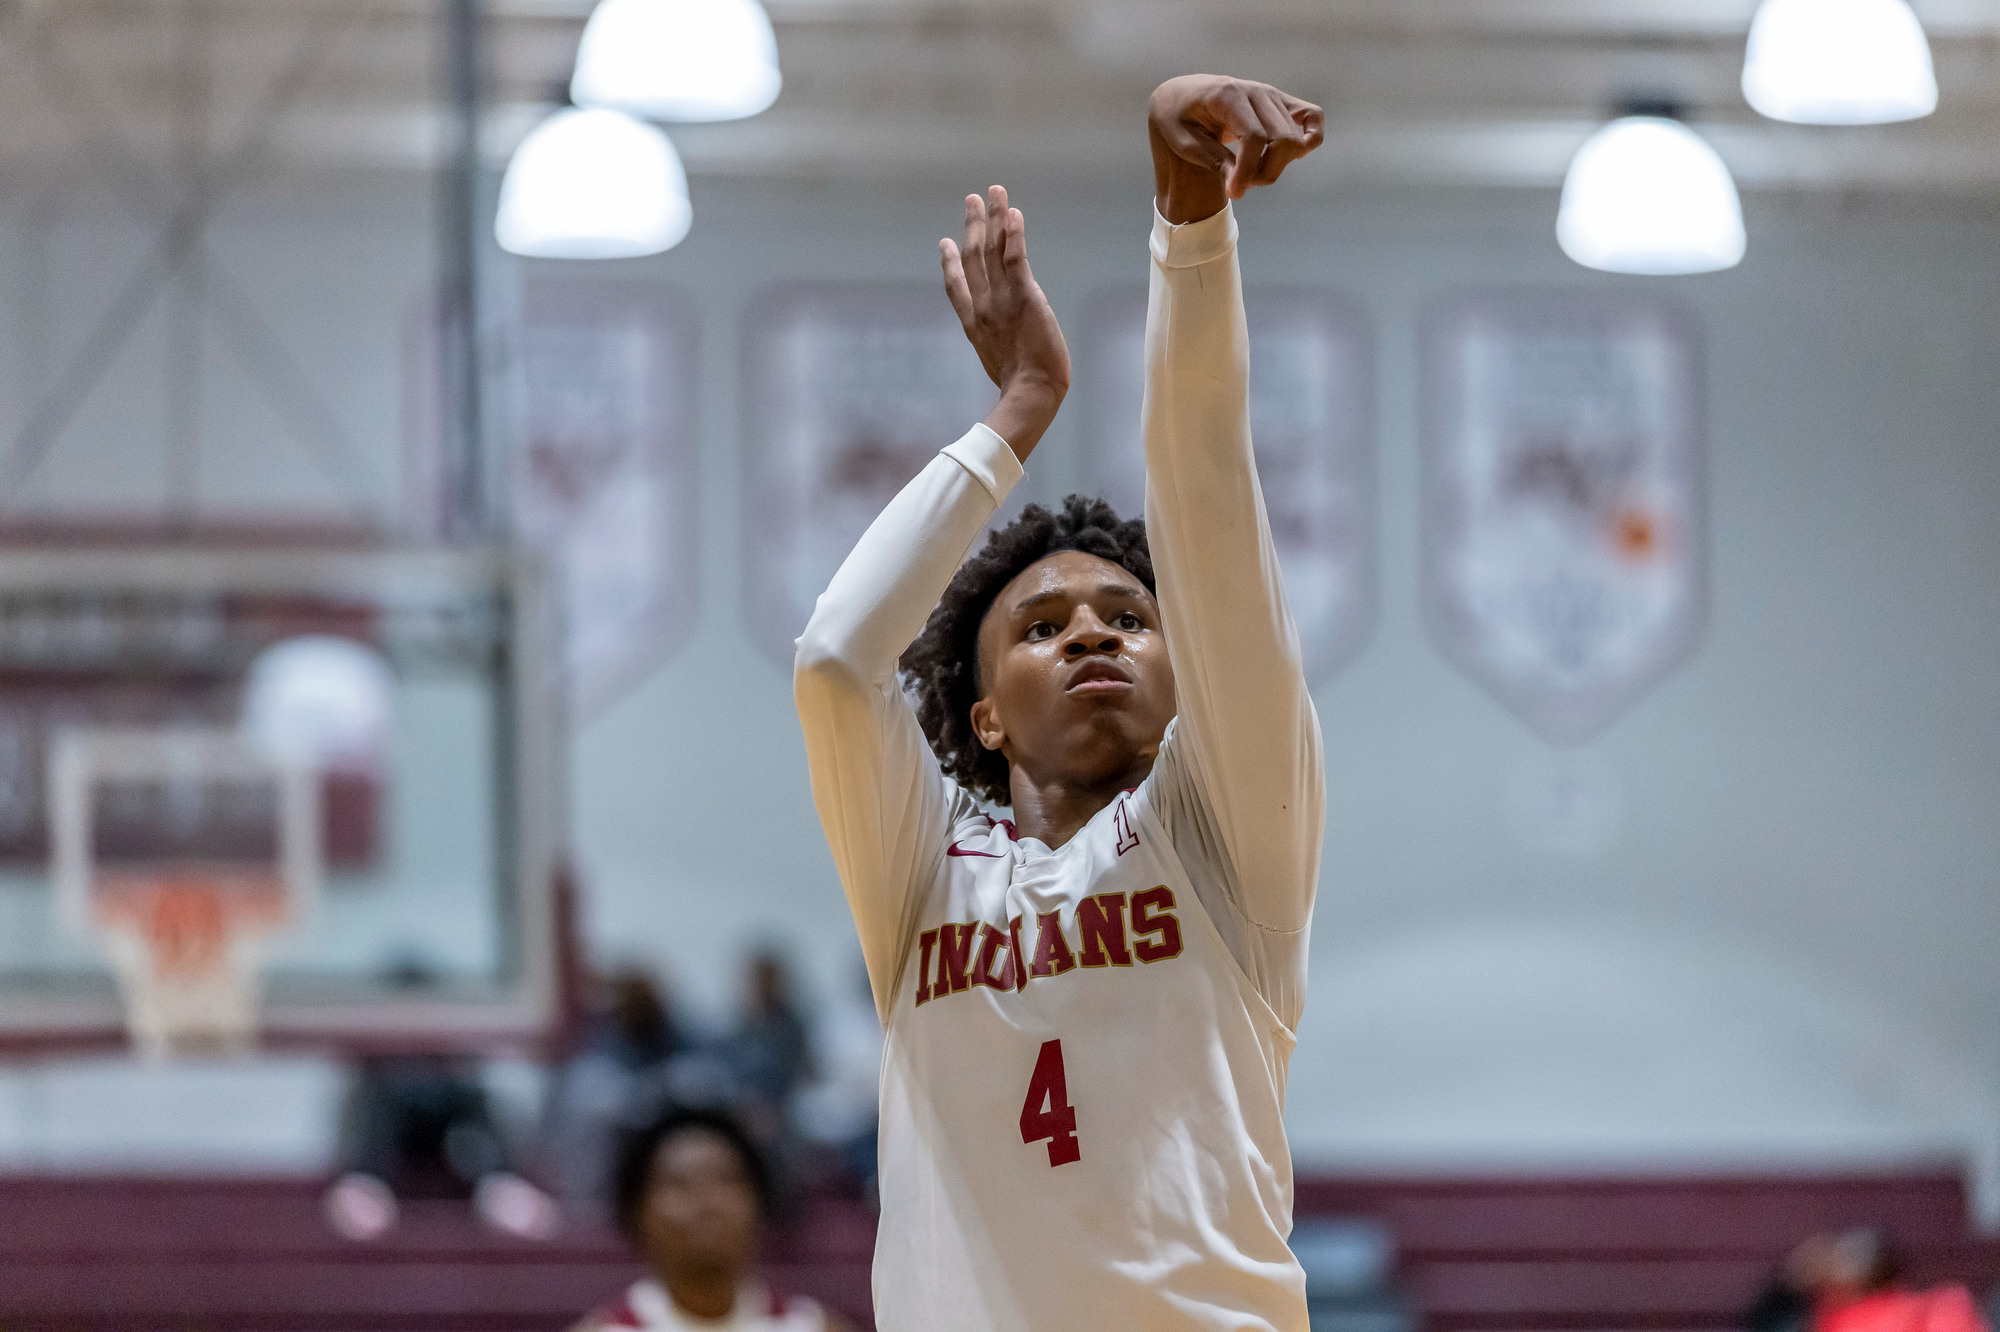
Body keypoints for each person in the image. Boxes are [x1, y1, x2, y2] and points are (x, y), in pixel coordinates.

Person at [793, 73, 1326, 1330]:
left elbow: (1205, 489)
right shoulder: (919, 871)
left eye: (1129, 618)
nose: (1094, 628)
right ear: (981, 715)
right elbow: (832, 664)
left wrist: (1189, 229)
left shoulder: (1227, 829)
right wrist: (1018, 411)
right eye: (1040, 627)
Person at [569, 1107, 850, 1332]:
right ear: (636, 1210)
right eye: (680, 1184)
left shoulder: (813, 1325)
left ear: (760, 1202)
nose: (706, 1203)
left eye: (726, 1181)